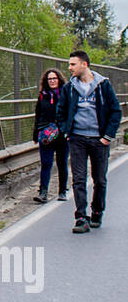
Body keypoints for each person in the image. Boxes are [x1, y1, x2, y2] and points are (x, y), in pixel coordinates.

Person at [56, 50, 122, 233]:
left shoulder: (103, 86)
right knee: (78, 179)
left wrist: (107, 137)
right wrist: (66, 132)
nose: (69, 68)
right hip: (77, 139)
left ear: (84, 64)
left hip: (98, 140)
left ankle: (97, 211)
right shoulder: (69, 88)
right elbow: (60, 112)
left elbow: (116, 112)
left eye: (73, 64)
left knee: (99, 179)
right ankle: (81, 218)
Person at [32, 68, 68, 202]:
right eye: (50, 79)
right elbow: (38, 115)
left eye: (54, 78)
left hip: (62, 134)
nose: (52, 81)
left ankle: (62, 191)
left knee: (62, 163)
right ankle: (43, 192)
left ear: (59, 79)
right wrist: (36, 134)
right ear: (46, 81)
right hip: (46, 134)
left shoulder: (66, 95)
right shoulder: (43, 96)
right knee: (46, 163)